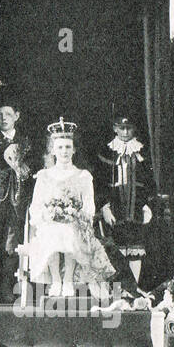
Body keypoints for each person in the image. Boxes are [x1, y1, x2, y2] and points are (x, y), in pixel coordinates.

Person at [25, 119, 115, 299]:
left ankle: (67, 279)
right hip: (50, 222)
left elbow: (89, 204)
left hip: (75, 222)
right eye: (60, 147)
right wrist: (47, 214)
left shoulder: (82, 176)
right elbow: (36, 204)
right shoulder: (44, 176)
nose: (64, 151)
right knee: (52, 231)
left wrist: (76, 214)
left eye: (67, 147)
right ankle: (56, 280)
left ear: (74, 150)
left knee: (69, 231)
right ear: (53, 150)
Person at [0, 103, 33, 303]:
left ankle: (8, 290)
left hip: (16, 200)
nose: (4, 118)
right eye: (0, 115)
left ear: (17, 116)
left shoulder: (26, 142)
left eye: (8, 114)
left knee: (12, 246)